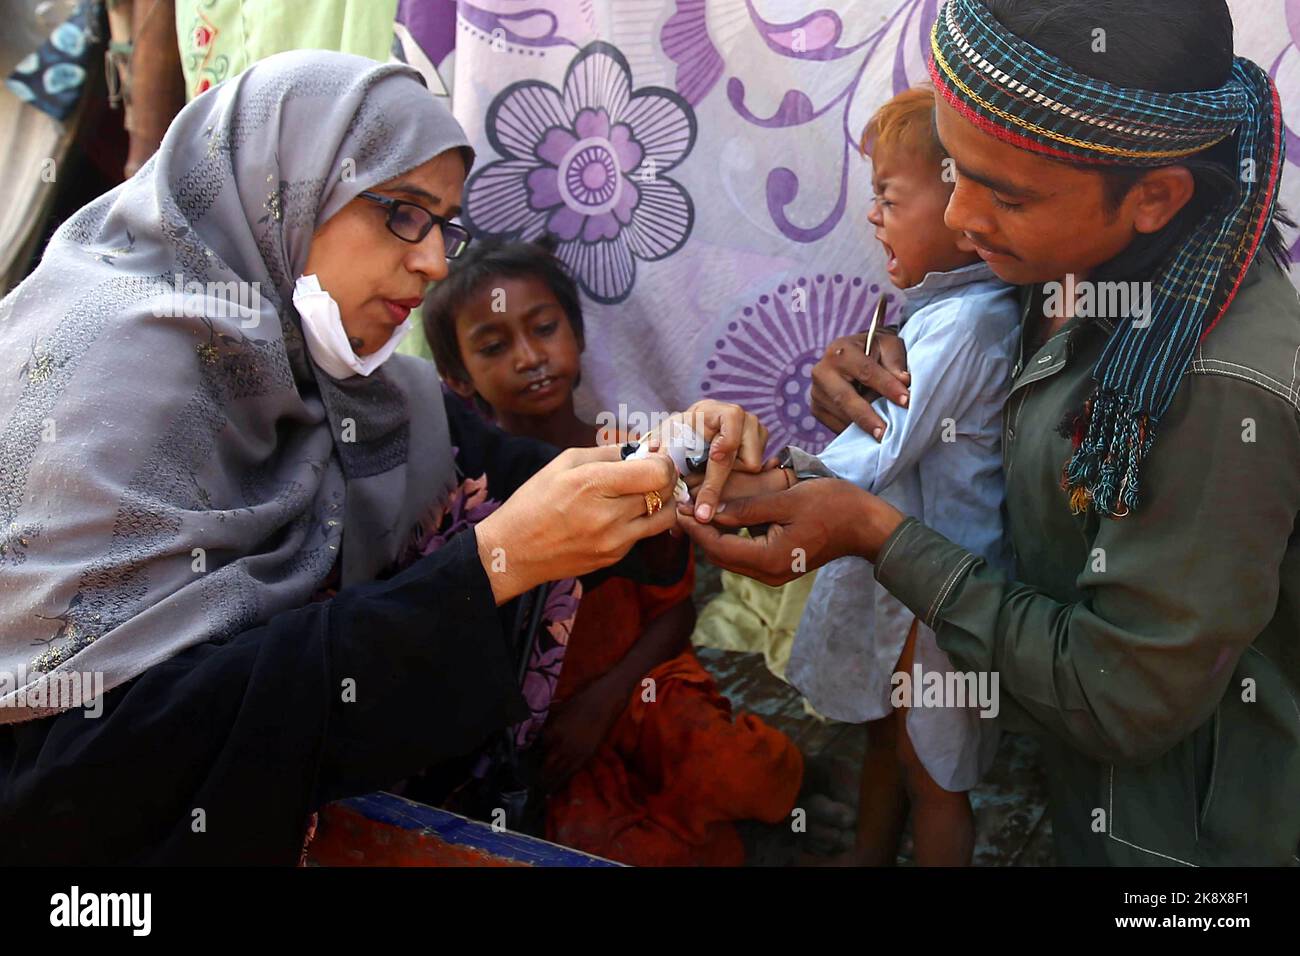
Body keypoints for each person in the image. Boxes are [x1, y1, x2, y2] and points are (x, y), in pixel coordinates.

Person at [0, 50, 764, 865]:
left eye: (445, 225)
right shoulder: (116, 382)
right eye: (402, 212)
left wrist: (681, 454)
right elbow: (79, 769)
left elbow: (512, 481)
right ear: (281, 187)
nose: (435, 261)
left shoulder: (347, 384)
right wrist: (496, 563)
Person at [679, 0, 1300, 866]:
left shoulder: (1215, 394)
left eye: (1003, 195)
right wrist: (890, 352)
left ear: (1156, 195)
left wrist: (876, 533)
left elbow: (1117, 694)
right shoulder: (1058, 267)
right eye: (953, 169)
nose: (961, 220)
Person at [423, 238, 802, 865]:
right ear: (458, 377)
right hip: (547, 721)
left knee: (742, 775)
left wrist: (607, 699)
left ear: (576, 334)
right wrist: (569, 719)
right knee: (594, 839)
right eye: (493, 345)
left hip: (645, 680)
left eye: (544, 328)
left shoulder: (641, 458)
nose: (528, 356)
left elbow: (677, 612)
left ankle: (786, 800)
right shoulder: (475, 496)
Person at [782, 85, 1018, 866]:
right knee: (891, 739)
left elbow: (878, 447)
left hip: (940, 592)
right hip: (911, 578)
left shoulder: (968, 323)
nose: (873, 216)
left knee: (935, 777)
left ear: (965, 208)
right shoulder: (946, 312)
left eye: (888, 197)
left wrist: (774, 481)